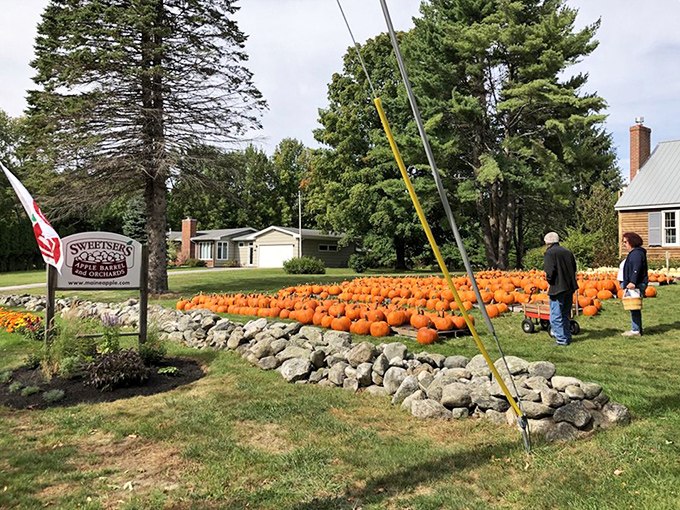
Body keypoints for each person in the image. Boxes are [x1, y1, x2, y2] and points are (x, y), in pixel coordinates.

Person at [543, 232, 578, 346]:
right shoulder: (567, 252)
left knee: (555, 315)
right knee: (565, 313)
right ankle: (567, 337)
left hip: (557, 287)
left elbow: (550, 271)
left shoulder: (549, 253)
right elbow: (574, 268)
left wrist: (549, 281)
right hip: (569, 286)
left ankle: (561, 340)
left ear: (548, 242)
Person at [621, 232, 648, 336]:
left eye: (625, 242)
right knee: (633, 307)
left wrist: (632, 282)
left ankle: (636, 330)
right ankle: (636, 328)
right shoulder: (635, 253)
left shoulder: (636, 254)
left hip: (636, 284)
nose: (624, 244)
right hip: (635, 283)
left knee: (634, 306)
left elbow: (636, 269)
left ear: (632, 241)